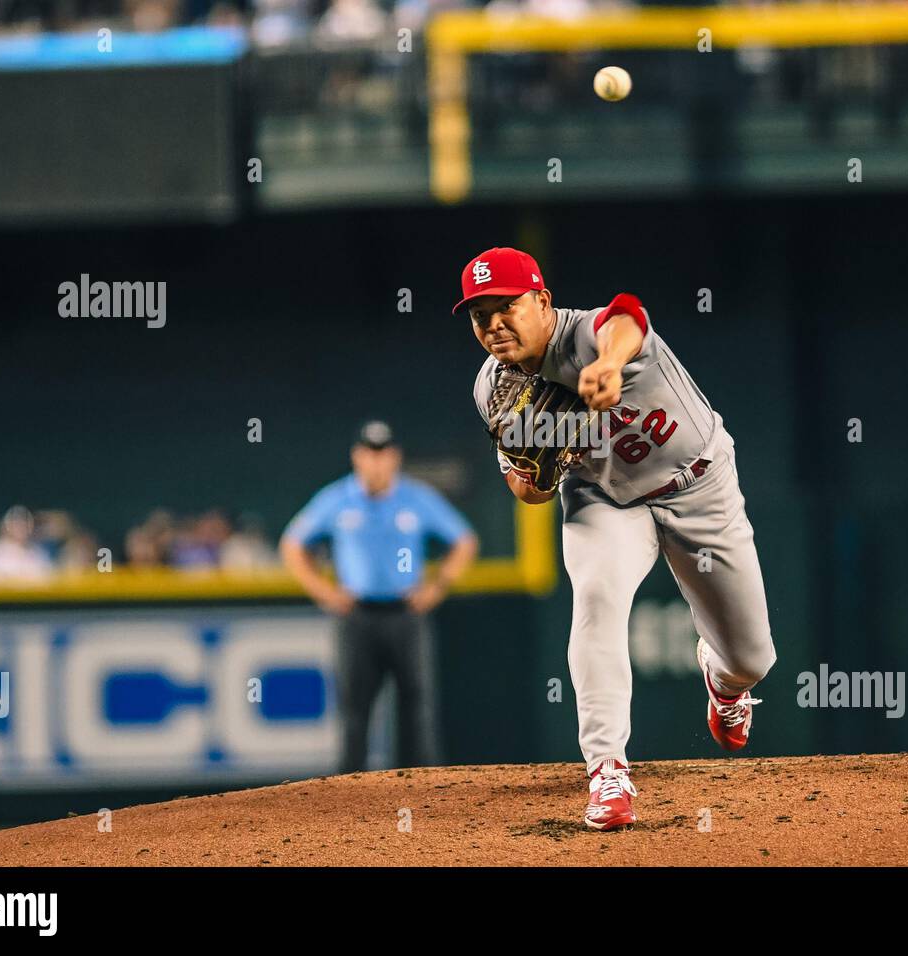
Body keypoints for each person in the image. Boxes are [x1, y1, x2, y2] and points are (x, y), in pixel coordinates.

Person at [459, 247, 776, 831]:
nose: (495, 324)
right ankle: (607, 771)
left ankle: (724, 681)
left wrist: (607, 364)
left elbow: (628, 314)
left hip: (697, 485)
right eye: (481, 316)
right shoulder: (491, 389)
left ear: (543, 301)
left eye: (508, 306)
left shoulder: (589, 335)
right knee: (597, 598)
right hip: (604, 499)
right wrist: (539, 473)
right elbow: (524, 489)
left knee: (753, 657)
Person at [280, 420, 479, 773]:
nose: (376, 462)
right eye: (369, 453)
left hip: (405, 614)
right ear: (357, 457)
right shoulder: (337, 499)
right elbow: (293, 543)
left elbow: (464, 540)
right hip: (357, 615)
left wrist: (438, 585)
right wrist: (323, 591)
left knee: (418, 708)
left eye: (383, 453)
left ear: (395, 457)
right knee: (354, 711)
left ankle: (424, 794)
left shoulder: (416, 498)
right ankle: (349, 801)